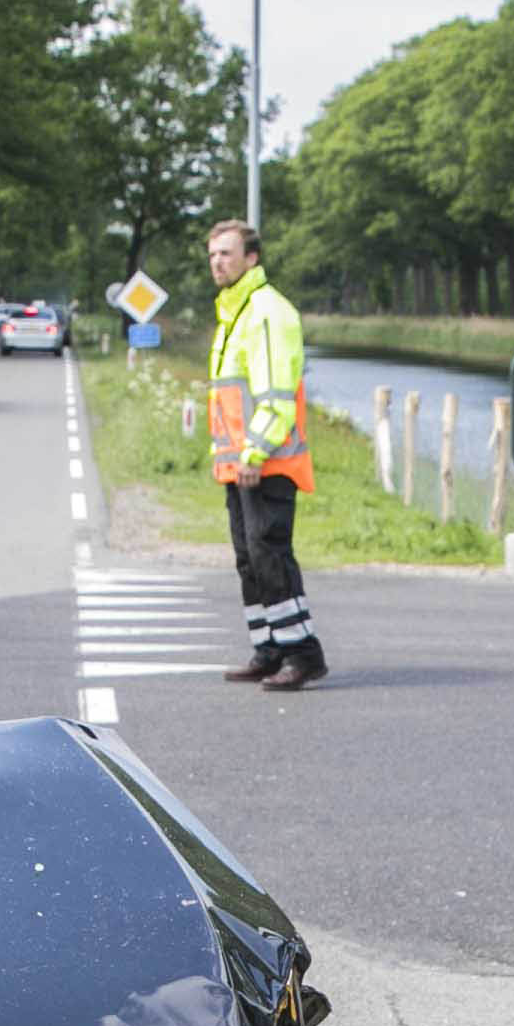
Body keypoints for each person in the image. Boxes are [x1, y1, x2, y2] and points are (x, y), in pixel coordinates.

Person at [202, 220, 325, 690]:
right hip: (241, 463)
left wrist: (255, 452)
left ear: (251, 258)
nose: (218, 262)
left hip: (267, 460)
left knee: (269, 554)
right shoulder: (234, 312)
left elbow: (274, 394)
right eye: (213, 254)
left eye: (227, 254)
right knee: (248, 559)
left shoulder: (268, 312)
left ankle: (303, 654)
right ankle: (269, 649)